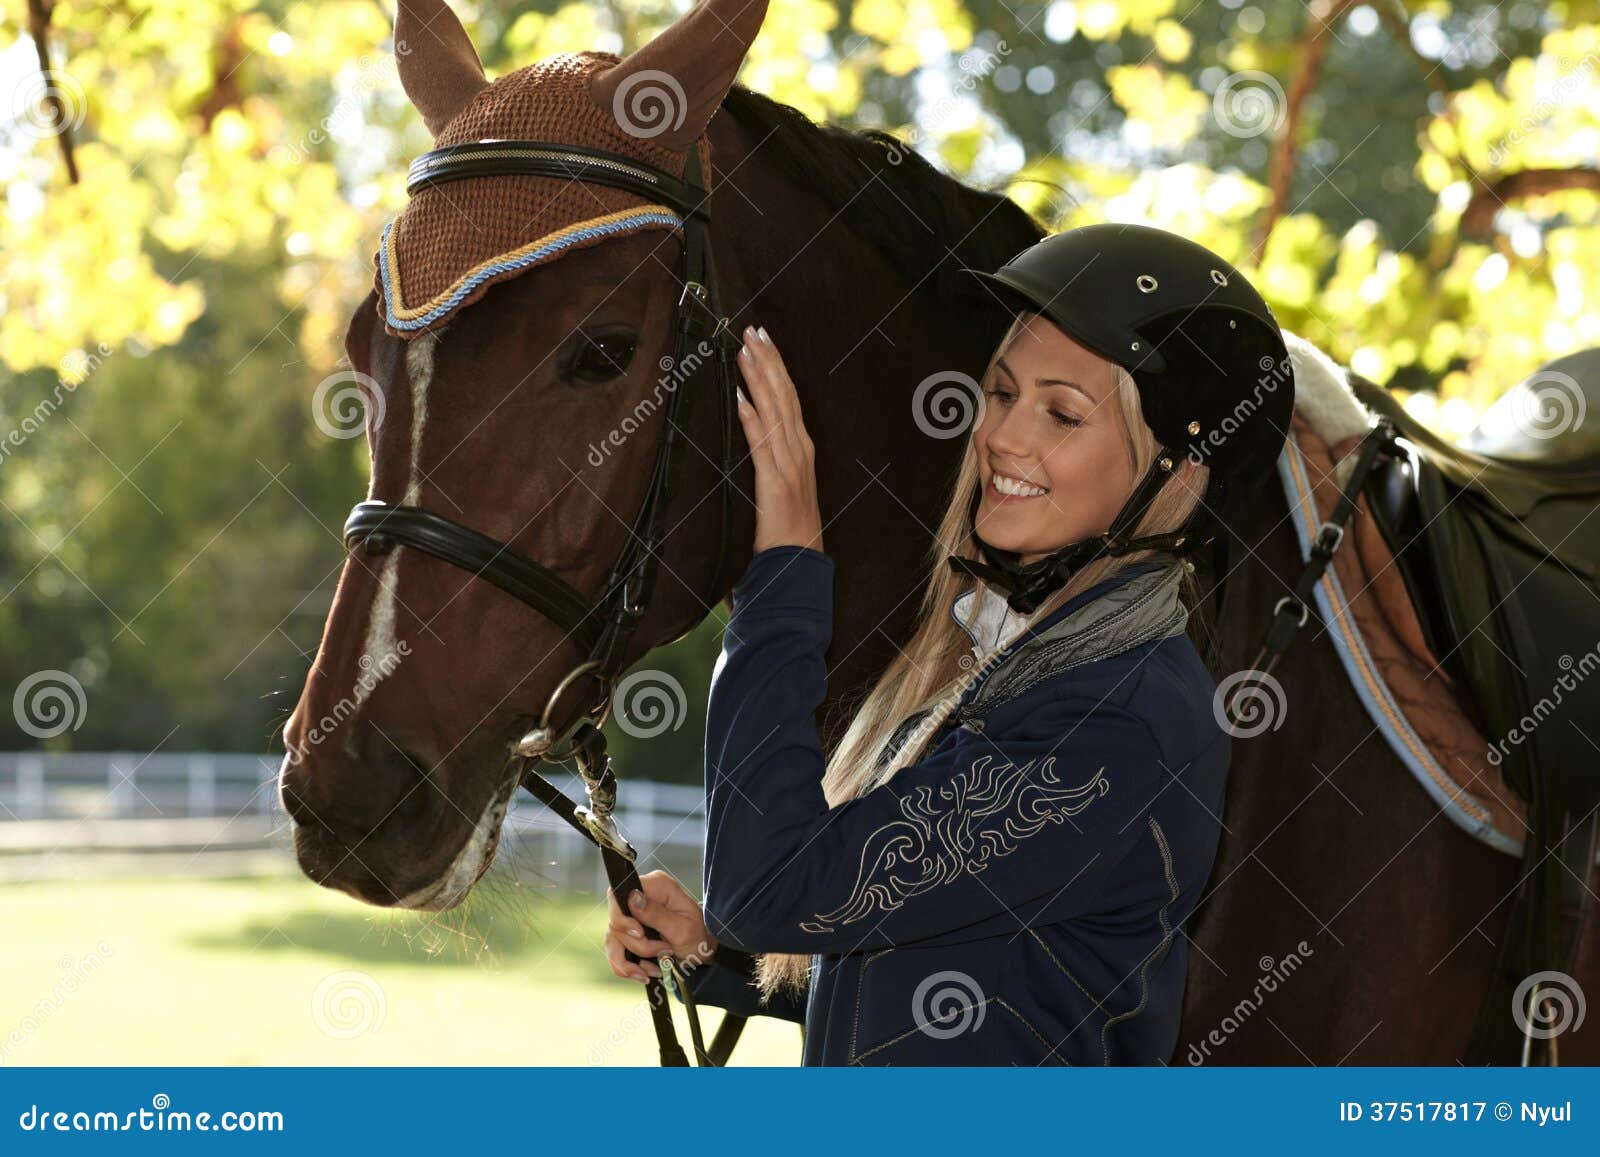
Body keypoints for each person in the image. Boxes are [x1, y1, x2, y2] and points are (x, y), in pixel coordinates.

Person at [602, 222, 1295, 1065]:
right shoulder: (1028, 670)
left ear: (1175, 472)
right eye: (1001, 393)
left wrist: (784, 576)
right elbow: (956, 972)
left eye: (1062, 413)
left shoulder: (1114, 721)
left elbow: (770, 888)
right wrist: (716, 946)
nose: (1003, 436)